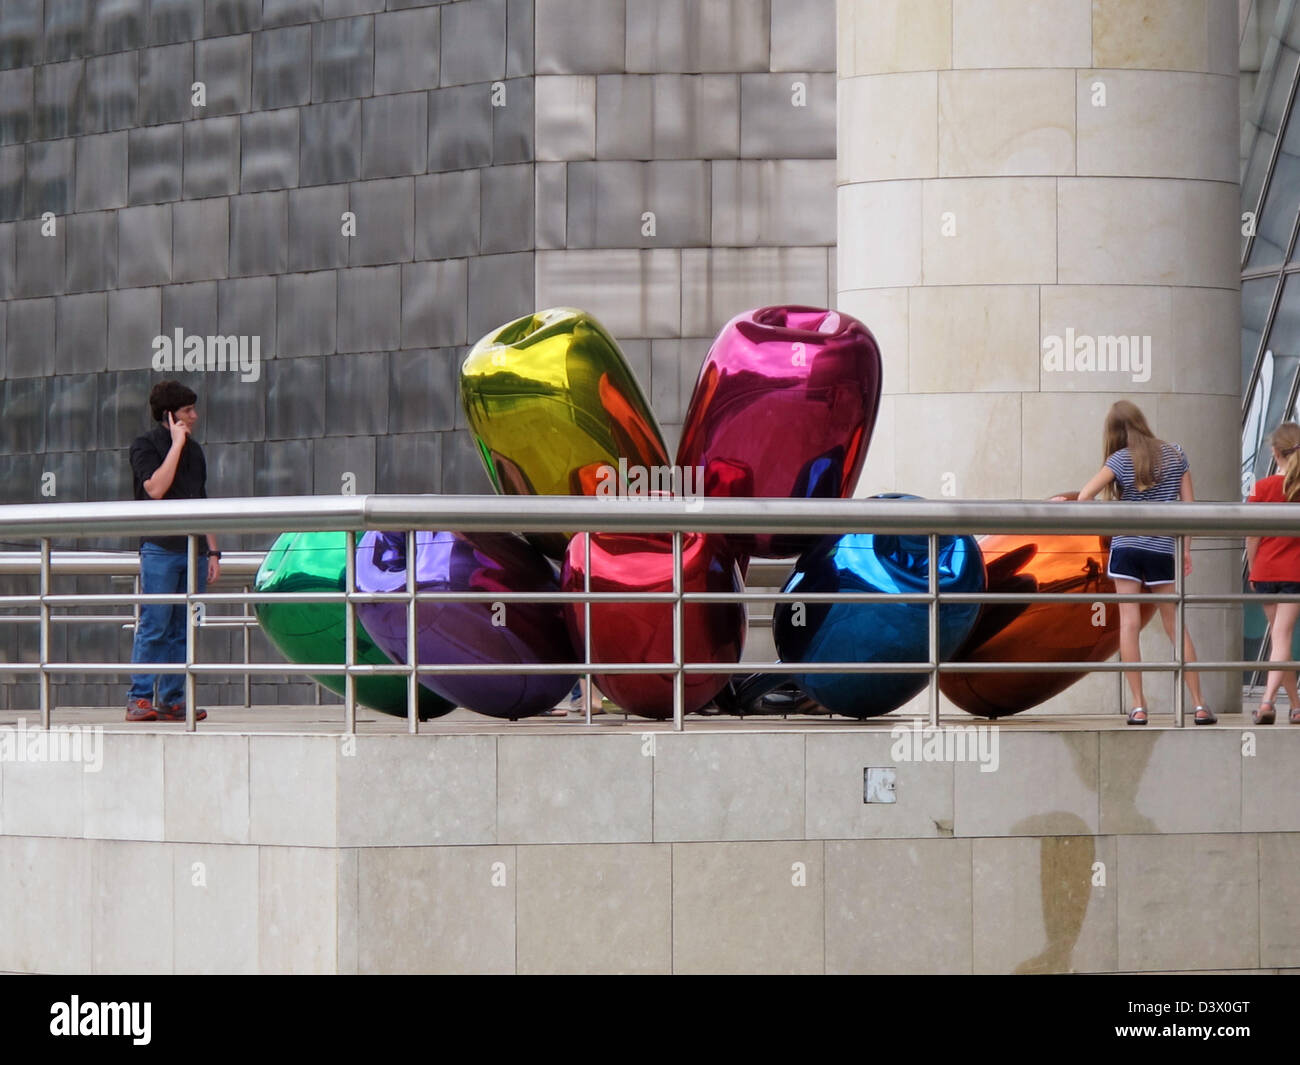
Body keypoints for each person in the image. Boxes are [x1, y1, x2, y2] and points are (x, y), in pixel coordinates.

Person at [1076, 401, 1214, 725]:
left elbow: (1084, 497)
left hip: (1126, 548)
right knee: (1175, 625)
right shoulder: (1176, 454)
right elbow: (1189, 509)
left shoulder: (1119, 459)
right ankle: (1199, 705)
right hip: (1163, 548)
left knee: (1129, 624)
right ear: (1141, 422)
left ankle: (1138, 706)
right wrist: (1186, 551)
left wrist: (1111, 523)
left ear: (1114, 431)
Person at [126, 381, 220, 722]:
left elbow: (201, 499)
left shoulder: (195, 451)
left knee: (185, 626)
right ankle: (139, 698)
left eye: (193, 410)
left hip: (193, 549)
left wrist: (213, 552)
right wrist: (176, 445)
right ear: (169, 415)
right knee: (155, 624)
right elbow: (155, 488)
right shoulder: (145, 446)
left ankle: (172, 698)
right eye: (186, 411)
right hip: (160, 549)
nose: (194, 416)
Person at [1246, 422, 1300, 724]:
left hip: (1266, 571)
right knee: (1282, 639)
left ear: (1274, 452)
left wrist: (1254, 568)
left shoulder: (1261, 487)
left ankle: (1286, 704)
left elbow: (1250, 534)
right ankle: (1272, 703)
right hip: (1295, 573)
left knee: (1280, 640)